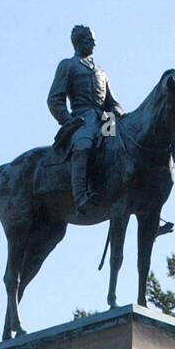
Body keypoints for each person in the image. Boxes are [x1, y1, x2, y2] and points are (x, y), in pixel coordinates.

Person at [47, 25, 123, 215]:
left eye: (93, 39)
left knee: (125, 148)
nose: (94, 43)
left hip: (105, 119)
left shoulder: (101, 71)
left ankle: (142, 204)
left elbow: (112, 102)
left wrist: (117, 114)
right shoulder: (67, 65)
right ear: (79, 42)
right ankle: (80, 197)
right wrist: (68, 120)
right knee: (84, 146)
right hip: (82, 119)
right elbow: (55, 99)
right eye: (90, 39)